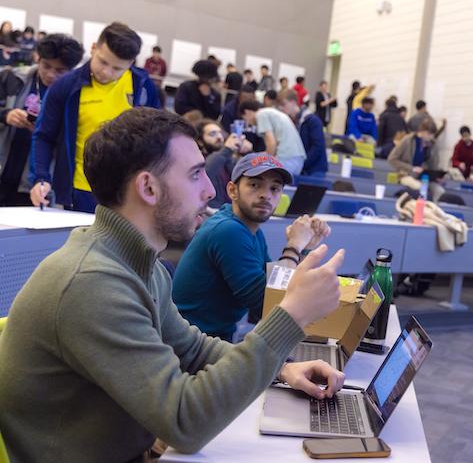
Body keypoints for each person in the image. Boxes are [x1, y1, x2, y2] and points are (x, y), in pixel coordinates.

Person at [0, 107, 346, 461]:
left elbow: (193, 349)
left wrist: (284, 368)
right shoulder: (92, 284)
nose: (211, 190)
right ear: (149, 187)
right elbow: (185, 422)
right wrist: (292, 316)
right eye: (196, 174)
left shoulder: (140, 263)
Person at [173, 151, 331, 341]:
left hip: (213, 337)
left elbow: (277, 289)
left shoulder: (252, 231)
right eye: (255, 185)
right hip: (192, 345)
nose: (266, 195)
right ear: (232, 190)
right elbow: (267, 305)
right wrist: (294, 246)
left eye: (275, 188)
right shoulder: (228, 231)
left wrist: (304, 248)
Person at [29, 22, 161, 213]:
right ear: (93, 49)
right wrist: (41, 178)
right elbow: (44, 136)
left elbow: (156, 137)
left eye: (117, 68)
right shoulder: (66, 86)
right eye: (103, 62)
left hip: (127, 194)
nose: (107, 72)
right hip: (80, 191)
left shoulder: (143, 87)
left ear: (130, 64)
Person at [0, 34, 83, 206]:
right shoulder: (11, 78)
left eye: (60, 71)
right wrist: (6, 115)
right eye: (46, 66)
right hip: (4, 167)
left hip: (33, 185)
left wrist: (47, 130)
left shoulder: (74, 96)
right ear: (38, 57)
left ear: (72, 70)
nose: (51, 74)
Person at [238, 99, 306, 175]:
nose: (248, 123)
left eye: (244, 119)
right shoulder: (270, 112)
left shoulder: (260, 115)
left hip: (286, 159)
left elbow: (271, 143)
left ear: (247, 112)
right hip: (297, 159)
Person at [388, 119, 444, 201]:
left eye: (432, 135)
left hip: (424, 177)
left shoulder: (431, 144)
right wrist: (412, 168)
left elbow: (433, 165)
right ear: (422, 131)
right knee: (421, 188)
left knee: (439, 191)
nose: (431, 137)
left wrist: (437, 175)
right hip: (406, 175)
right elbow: (392, 159)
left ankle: (433, 210)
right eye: (429, 134)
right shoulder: (407, 140)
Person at [280, 89, 328, 176]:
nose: (282, 109)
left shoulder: (312, 120)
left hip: (315, 170)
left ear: (293, 102)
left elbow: (317, 147)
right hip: (300, 168)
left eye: (284, 104)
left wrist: (301, 164)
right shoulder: (290, 122)